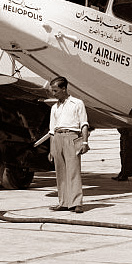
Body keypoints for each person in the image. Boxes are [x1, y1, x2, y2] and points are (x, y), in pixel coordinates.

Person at [47, 76, 90, 212]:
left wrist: (84, 142)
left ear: (64, 89)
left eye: (55, 90)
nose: (53, 93)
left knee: (73, 171)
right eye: (52, 90)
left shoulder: (77, 103)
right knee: (60, 173)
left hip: (72, 137)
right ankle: (64, 202)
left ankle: (76, 203)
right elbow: (52, 131)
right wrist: (52, 149)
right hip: (58, 138)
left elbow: (84, 124)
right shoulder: (54, 108)